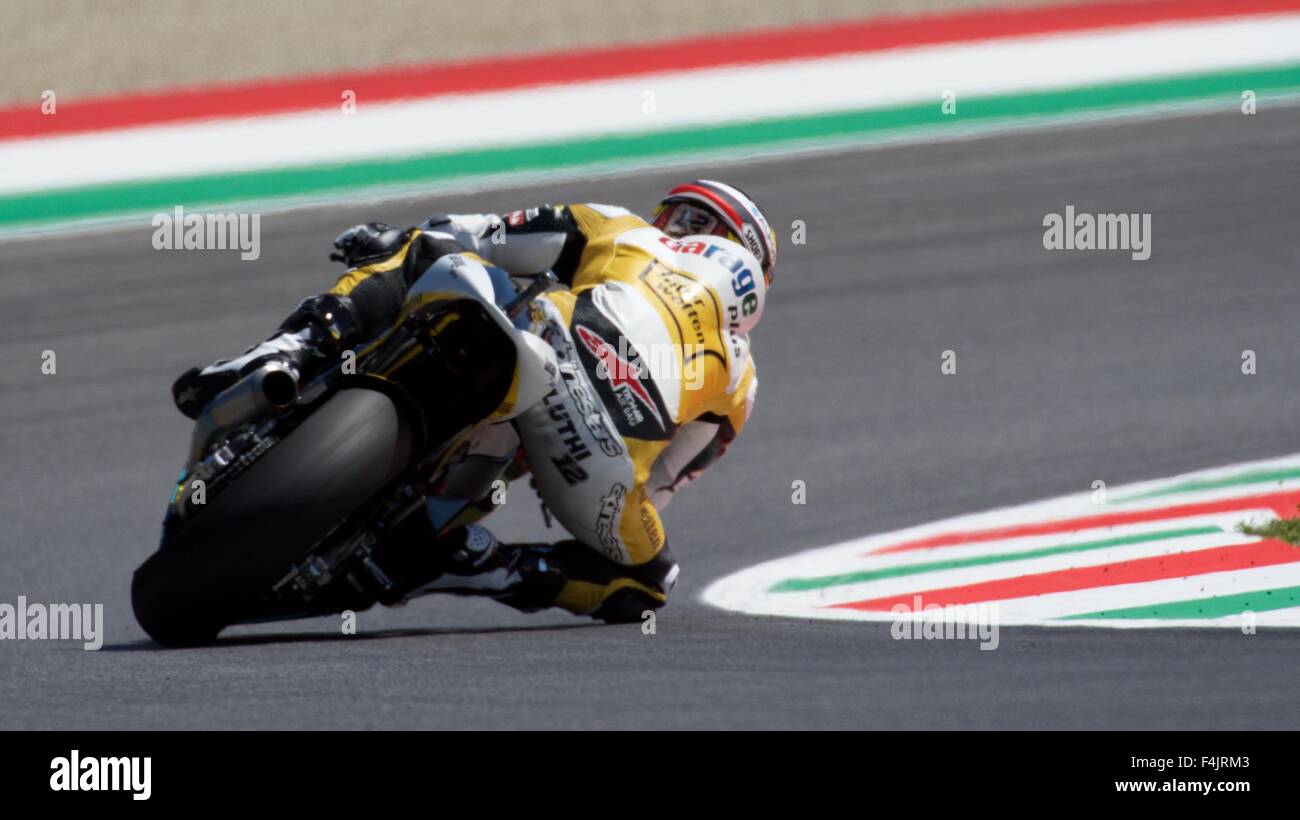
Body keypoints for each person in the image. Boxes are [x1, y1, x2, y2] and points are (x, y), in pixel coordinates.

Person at [172, 180, 777, 623]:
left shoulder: (625, 228)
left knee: (425, 249)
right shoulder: (742, 384)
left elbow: (479, 233)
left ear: (690, 225)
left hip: (550, 336)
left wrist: (393, 238)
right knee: (649, 580)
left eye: (682, 215)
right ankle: (479, 562)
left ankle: (291, 350)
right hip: (603, 465)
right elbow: (668, 480)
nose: (669, 222)